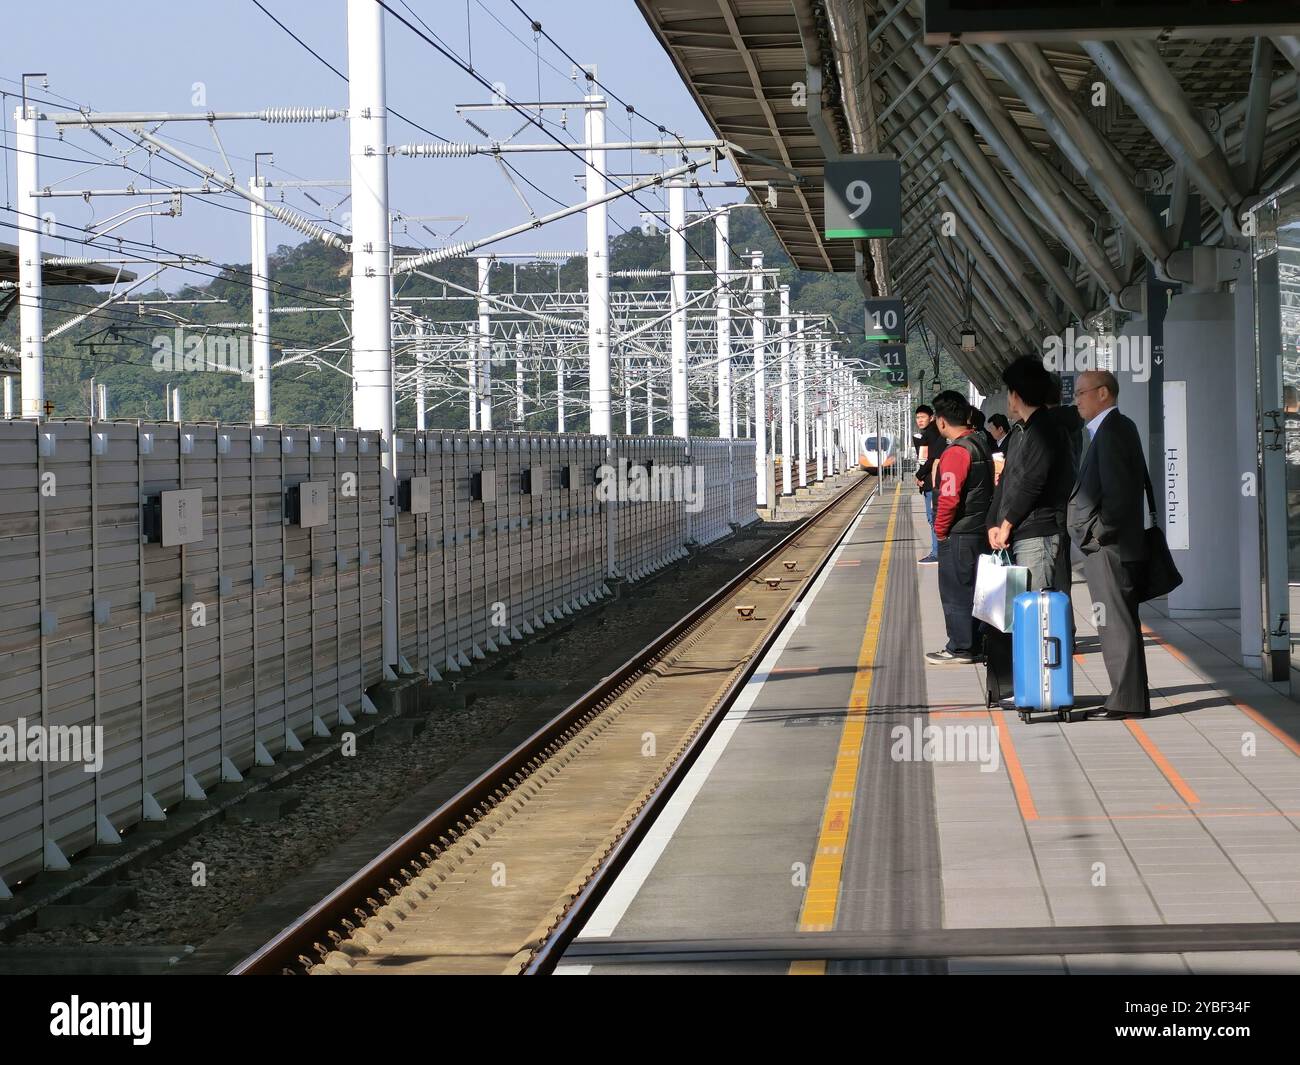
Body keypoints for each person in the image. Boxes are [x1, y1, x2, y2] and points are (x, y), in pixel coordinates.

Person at [1067, 369, 1151, 719]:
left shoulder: (1112, 431)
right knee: (1120, 621)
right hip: (1112, 545)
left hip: (1110, 548)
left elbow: (1118, 494)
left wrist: (1098, 534)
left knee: (1115, 624)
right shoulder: (1115, 428)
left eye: (1081, 393)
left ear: (1103, 393)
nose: (1077, 400)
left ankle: (1124, 701)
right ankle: (1128, 696)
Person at [987, 357, 1074, 592]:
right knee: (1026, 612)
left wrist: (1006, 524)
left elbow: (1032, 482)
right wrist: (993, 523)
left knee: (1038, 611)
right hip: (1020, 531)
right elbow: (1005, 480)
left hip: (1037, 534)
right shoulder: (1020, 431)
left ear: (1016, 395)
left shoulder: (1045, 429)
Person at [926, 390, 994, 665]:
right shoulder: (980, 443)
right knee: (976, 589)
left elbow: (949, 497)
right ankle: (976, 643)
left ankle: (961, 647)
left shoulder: (956, 452)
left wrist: (940, 531)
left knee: (956, 591)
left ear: (941, 422)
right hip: (980, 529)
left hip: (960, 533)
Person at [914, 403, 946, 565]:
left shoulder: (930, 435)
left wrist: (919, 474)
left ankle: (937, 552)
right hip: (930, 481)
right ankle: (938, 551)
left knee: (933, 517)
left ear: (931, 418)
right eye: (917, 417)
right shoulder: (931, 433)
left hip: (930, 483)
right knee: (934, 517)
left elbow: (929, 459)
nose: (919, 420)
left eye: (922, 417)